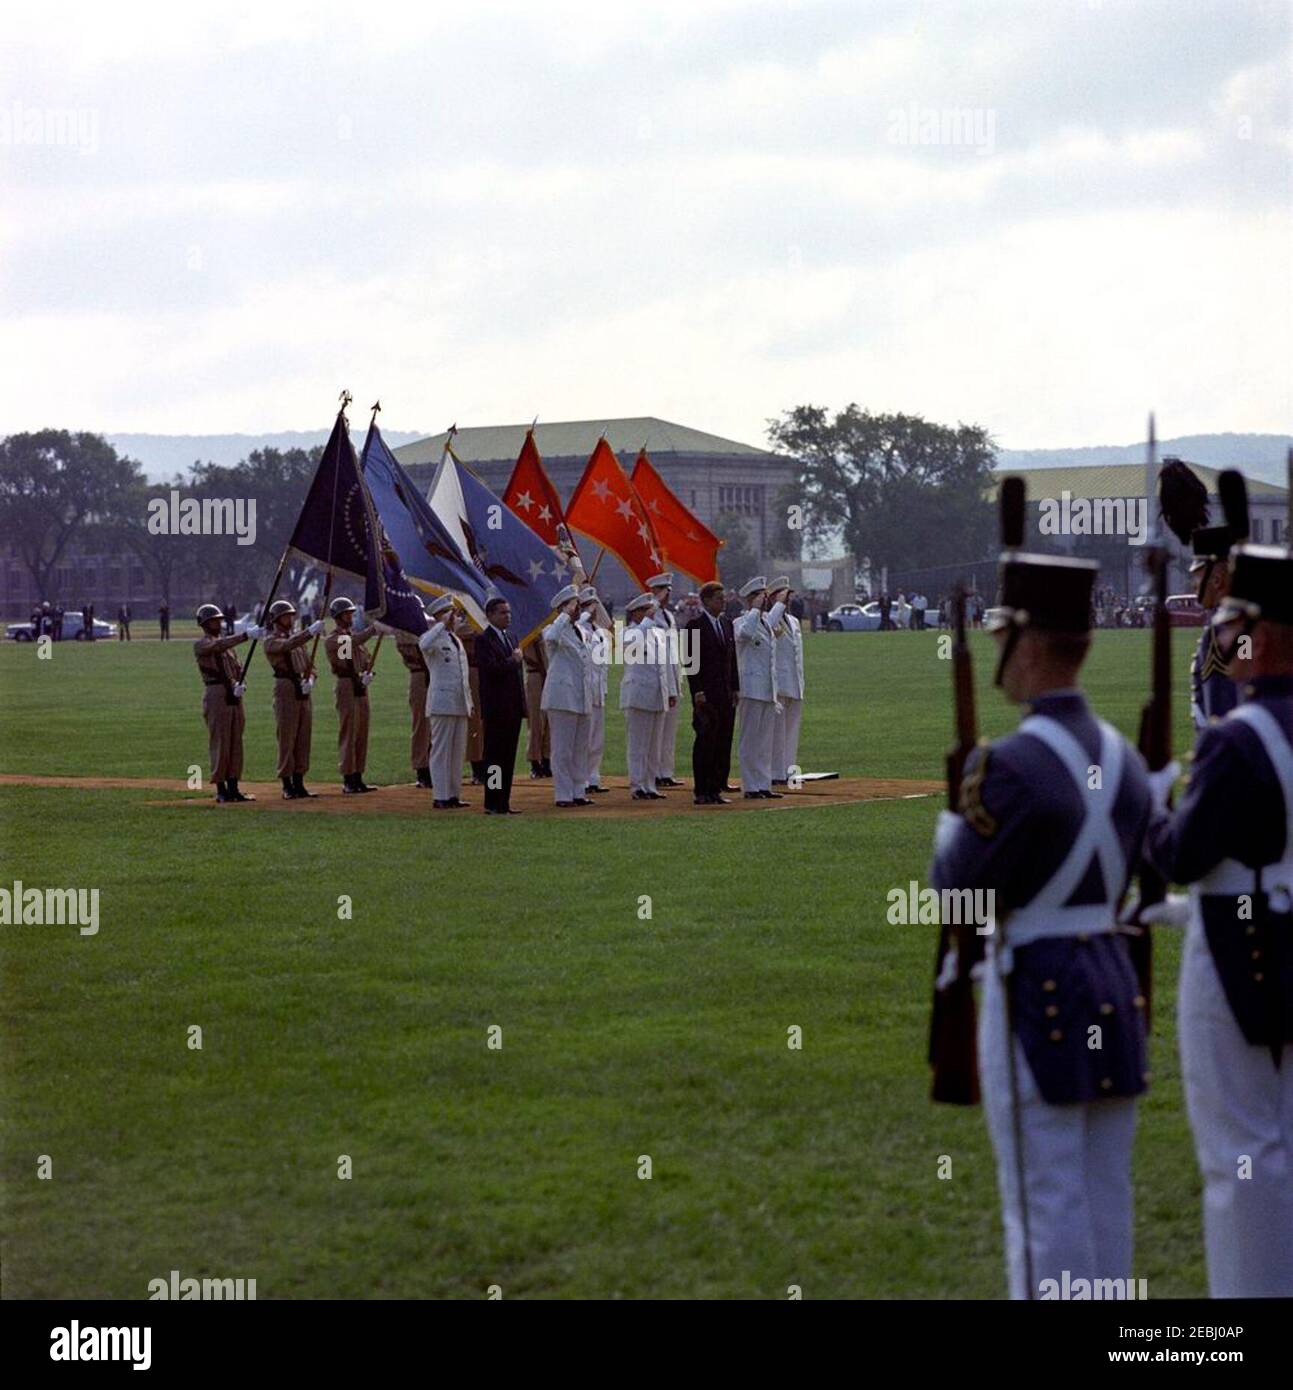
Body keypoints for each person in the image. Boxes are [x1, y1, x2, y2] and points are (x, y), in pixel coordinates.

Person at [930, 548, 1151, 1300]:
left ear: (1025, 641)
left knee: (1042, 1208)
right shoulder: (1121, 756)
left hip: (1036, 990)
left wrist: (945, 831)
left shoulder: (1012, 764)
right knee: (1103, 1197)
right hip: (1113, 988)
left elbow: (958, 895)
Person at [1144, 541, 1293, 1297]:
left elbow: (1181, 853)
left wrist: (1148, 808)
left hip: (1243, 947)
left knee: (1239, 1158)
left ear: (1260, 634)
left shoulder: (1238, 740)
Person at [258, 599, 324, 799]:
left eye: (291, 615)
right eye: (286, 616)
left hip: (303, 689)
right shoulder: (271, 641)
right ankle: (287, 784)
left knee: (304, 736)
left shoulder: (298, 640)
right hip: (286, 688)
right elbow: (287, 645)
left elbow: (311, 666)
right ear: (277, 619)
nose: (291, 618)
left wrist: (310, 679)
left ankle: (299, 781)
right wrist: (309, 632)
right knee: (287, 735)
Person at [685, 579, 739, 805]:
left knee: (723, 741)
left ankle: (716, 787)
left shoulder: (727, 624)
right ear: (706, 601)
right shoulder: (694, 626)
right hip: (706, 694)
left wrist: (735, 687)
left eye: (723, 597)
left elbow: (731, 660)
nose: (723, 602)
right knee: (706, 740)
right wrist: (697, 691)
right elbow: (691, 662)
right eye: (718, 598)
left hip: (725, 693)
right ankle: (702, 790)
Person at [193, 603, 253, 803]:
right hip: (216, 693)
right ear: (204, 624)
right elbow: (218, 646)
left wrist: (240, 683)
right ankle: (221, 788)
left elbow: (237, 667)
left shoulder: (228, 647)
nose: (218, 623)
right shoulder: (203, 644)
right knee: (221, 741)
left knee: (236, 741)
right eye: (213, 621)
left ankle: (234, 786)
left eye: (219, 620)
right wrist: (245, 636)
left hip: (233, 693)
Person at [418, 596, 473, 808]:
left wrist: (469, 702)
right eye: (449, 613)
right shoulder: (433, 639)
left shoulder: (455, 640)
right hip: (442, 702)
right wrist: (440, 623)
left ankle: (453, 795)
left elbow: (462, 673)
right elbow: (423, 643)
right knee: (441, 750)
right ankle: (440, 795)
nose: (453, 617)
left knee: (457, 751)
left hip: (459, 702)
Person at [541, 585, 593, 807]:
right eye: (573, 605)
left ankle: (578, 791)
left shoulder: (579, 631)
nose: (576, 609)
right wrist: (565, 613)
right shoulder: (554, 630)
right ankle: (563, 794)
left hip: (581, 696)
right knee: (562, 749)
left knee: (580, 748)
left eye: (577, 604)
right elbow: (551, 638)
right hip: (562, 697)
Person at [733, 576, 783, 799]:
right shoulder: (742, 622)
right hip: (750, 689)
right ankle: (750, 785)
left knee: (764, 741)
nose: (765, 600)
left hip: (767, 689)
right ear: (752, 599)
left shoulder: (764, 623)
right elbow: (744, 635)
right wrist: (753, 610)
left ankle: (763, 784)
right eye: (761, 596)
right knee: (750, 739)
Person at [324, 597, 381, 793]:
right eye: (347, 613)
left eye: (351, 613)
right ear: (338, 617)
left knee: (361, 731)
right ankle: (348, 777)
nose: (351, 616)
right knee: (349, 731)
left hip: (360, 685)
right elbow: (350, 646)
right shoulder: (335, 639)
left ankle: (358, 776)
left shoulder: (351, 636)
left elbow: (363, 658)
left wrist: (367, 673)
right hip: (346, 685)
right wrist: (374, 629)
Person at [475, 596, 526, 815]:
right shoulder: (483, 640)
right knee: (495, 759)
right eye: (503, 613)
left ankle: (504, 801)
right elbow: (490, 670)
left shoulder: (511, 638)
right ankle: (492, 801)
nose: (508, 616)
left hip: (512, 708)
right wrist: (512, 661)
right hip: (496, 708)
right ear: (491, 615)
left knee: (508, 757)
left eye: (509, 612)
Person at [1187, 523, 1239, 731]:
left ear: (1216, 580)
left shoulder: (1219, 632)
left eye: (1197, 577)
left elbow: (1218, 705)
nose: (1194, 585)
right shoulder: (1243, 627)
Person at [620, 592, 671, 800]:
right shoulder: (630, 632)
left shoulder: (656, 633)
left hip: (657, 694)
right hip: (639, 695)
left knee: (653, 745)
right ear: (635, 614)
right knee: (638, 744)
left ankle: (650, 784)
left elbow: (663, 666)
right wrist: (648, 620)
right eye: (644, 611)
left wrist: (670, 691)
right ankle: (637, 785)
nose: (650, 614)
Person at [648, 572, 684, 789]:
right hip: (659, 679)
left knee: (669, 730)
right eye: (663, 591)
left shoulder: (669, 616)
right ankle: (655, 773)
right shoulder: (650, 616)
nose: (666, 596)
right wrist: (654, 602)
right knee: (658, 731)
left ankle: (666, 771)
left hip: (673, 676)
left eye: (668, 592)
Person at [769, 578, 805, 786]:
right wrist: (778, 604)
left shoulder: (793, 621)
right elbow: (769, 625)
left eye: (788, 597)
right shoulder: (767, 619)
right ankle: (776, 773)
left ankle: (790, 771)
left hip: (795, 682)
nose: (788, 601)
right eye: (784, 596)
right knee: (777, 732)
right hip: (779, 684)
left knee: (792, 732)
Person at [578, 585, 612, 794]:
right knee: (584, 738)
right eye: (588, 606)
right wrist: (583, 617)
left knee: (597, 739)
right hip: (583, 691)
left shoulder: (599, 633)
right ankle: (580, 779)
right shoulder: (577, 629)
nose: (593, 610)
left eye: (594, 606)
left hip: (598, 691)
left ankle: (593, 777)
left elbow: (603, 665)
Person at [396, 621, 434, 789]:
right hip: (420, 677)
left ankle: (354, 776)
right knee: (422, 725)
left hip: (431, 677)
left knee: (432, 726)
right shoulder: (341, 639)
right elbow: (343, 662)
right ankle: (422, 768)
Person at [524, 635, 553, 779]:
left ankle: (547, 760)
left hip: (549, 675)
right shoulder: (528, 630)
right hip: (535, 674)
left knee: (550, 721)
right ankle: (535, 761)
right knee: (536, 720)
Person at [462, 629, 487, 784]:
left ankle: (494, 781)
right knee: (475, 724)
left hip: (494, 676)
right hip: (475, 673)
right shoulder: (465, 626)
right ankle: (479, 770)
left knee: (493, 728)